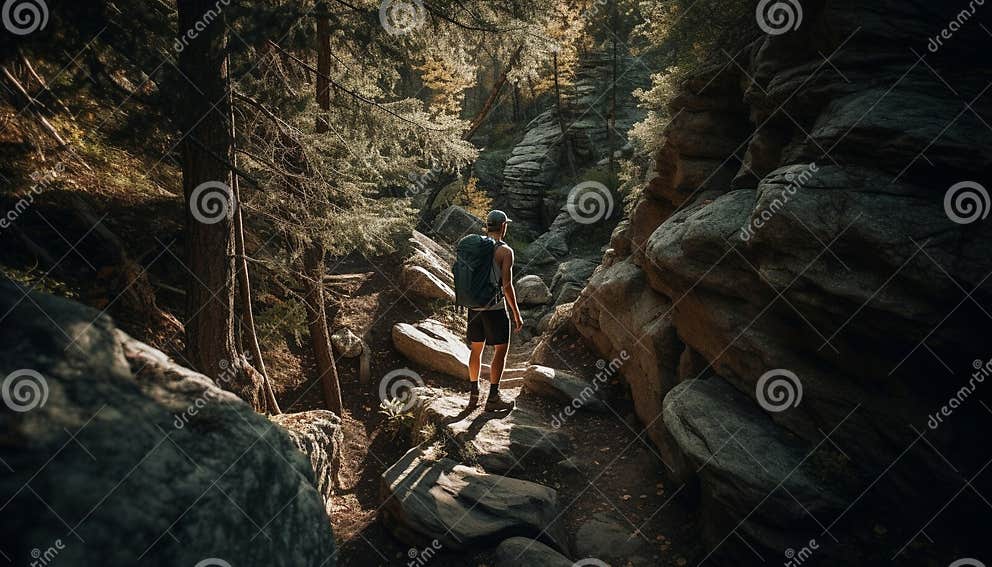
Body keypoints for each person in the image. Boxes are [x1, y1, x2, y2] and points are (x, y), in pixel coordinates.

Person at [467, 210, 523, 412]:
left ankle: (474, 394)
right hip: (495, 309)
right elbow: (507, 286)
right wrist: (516, 314)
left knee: (476, 349)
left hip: (474, 307)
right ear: (503, 226)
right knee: (500, 350)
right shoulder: (505, 251)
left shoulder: (474, 247)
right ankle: (493, 397)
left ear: (487, 225)